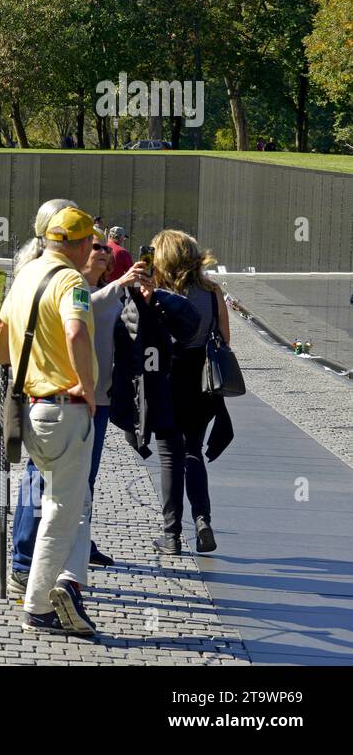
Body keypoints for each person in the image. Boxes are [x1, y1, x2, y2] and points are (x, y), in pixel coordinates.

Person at [10, 233, 152, 584]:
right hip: (66, 399)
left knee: (81, 486)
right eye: (97, 247)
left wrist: (143, 297)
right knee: (40, 481)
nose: (104, 252)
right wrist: (121, 282)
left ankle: (72, 550)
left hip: (97, 400)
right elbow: (83, 312)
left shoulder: (105, 291)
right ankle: (25, 558)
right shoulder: (71, 287)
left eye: (107, 248)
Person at [0, 205, 100, 638]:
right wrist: (86, 385)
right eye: (90, 243)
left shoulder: (26, 274)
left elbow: (1, 328)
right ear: (77, 246)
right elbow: (76, 333)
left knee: (74, 502)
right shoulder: (71, 281)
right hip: (64, 408)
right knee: (62, 509)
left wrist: (11, 372)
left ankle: (68, 584)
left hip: (30, 407)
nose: (93, 250)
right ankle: (40, 603)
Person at [149, 229, 232, 555]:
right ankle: (203, 521)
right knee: (194, 451)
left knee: (170, 456)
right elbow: (224, 339)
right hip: (202, 381)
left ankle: (171, 536)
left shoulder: (157, 294)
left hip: (168, 379)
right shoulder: (212, 292)